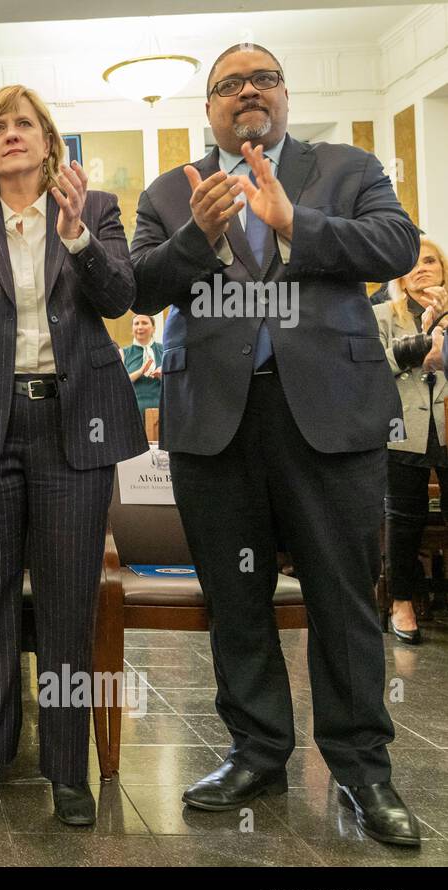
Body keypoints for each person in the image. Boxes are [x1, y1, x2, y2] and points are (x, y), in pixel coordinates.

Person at [130, 43, 422, 846]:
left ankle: (363, 768)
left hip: (329, 415)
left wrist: (298, 224)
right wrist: (198, 235)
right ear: (210, 108)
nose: (247, 92)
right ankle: (255, 750)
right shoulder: (169, 190)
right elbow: (137, 286)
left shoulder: (348, 167)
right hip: (214, 423)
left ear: (285, 95)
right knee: (236, 600)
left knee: (341, 595)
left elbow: (397, 246)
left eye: (263, 79)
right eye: (229, 84)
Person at [0, 85, 146, 825]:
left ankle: (65, 770)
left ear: (49, 142)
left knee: (66, 606)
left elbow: (119, 299)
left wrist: (79, 234)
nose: (11, 135)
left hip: (73, 428)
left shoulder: (99, 209)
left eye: (24, 124)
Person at [375, 237, 448, 644]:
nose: (422, 269)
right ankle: (401, 601)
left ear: (443, 269)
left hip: (447, 422)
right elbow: (372, 364)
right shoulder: (384, 314)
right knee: (404, 520)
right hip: (403, 427)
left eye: (431, 261)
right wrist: (420, 346)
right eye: (412, 264)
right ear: (400, 277)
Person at [121, 312, 164, 416]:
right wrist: (140, 372)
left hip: (161, 409)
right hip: (132, 409)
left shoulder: (164, 350)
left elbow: (175, 383)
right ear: (132, 329)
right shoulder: (123, 352)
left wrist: (162, 376)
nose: (140, 327)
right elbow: (119, 382)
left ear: (153, 328)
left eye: (144, 323)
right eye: (136, 324)